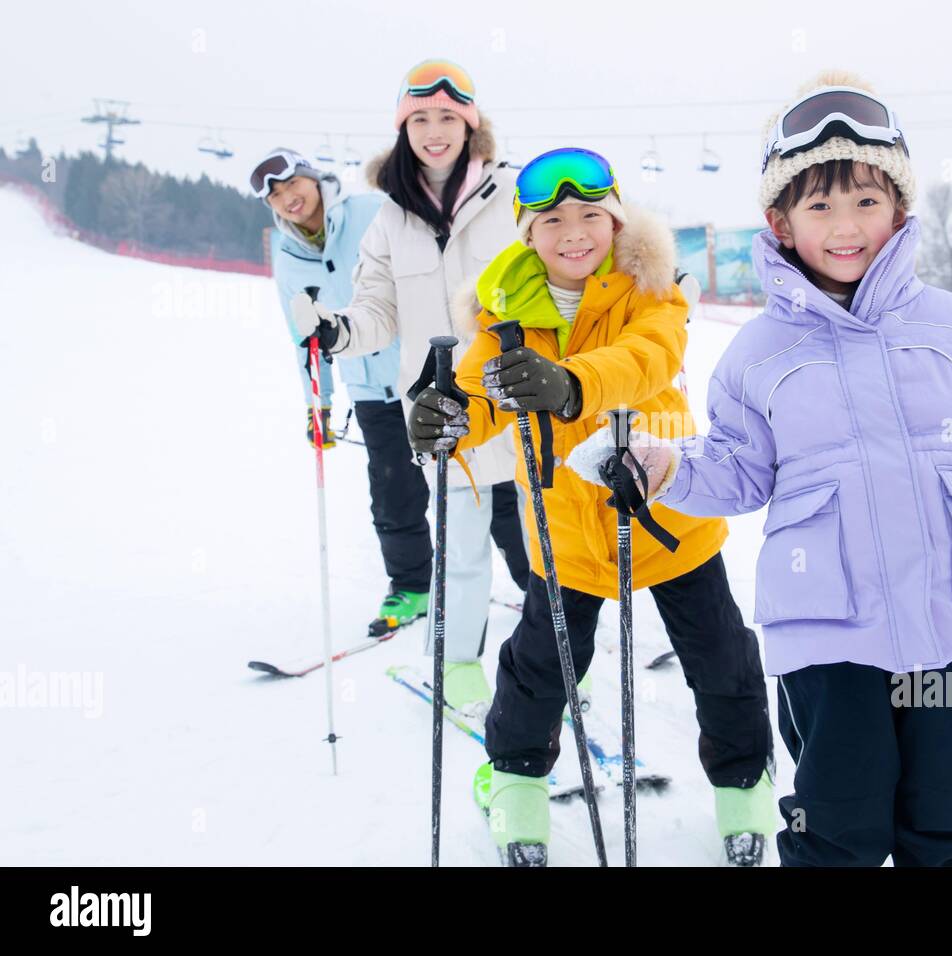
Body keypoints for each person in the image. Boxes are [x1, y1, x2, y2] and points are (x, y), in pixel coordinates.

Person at [568, 71, 952, 867]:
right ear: (780, 222)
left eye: (866, 199)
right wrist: (659, 467)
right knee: (837, 828)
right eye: (819, 205)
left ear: (898, 208)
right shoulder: (757, 354)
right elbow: (739, 471)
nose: (846, 225)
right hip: (831, 641)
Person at [405, 147, 776, 866]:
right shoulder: (505, 316)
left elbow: (649, 358)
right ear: (528, 235)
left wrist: (570, 384)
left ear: (615, 223)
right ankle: (514, 787)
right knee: (540, 672)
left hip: (666, 513)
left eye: (589, 215)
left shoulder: (651, 290)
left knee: (721, 659)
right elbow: (481, 396)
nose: (573, 231)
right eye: (552, 220)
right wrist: (447, 417)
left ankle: (743, 784)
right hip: (564, 531)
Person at [288, 60, 528, 720]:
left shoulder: (515, 196)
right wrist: (335, 333)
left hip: (517, 397)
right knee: (462, 545)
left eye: (447, 117)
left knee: (544, 541)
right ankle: (457, 667)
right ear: (403, 130)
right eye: (419, 119)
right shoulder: (390, 219)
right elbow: (377, 312)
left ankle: (559, 661)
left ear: (470, 125)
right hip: (439, 407)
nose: (433, 130)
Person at [256, 147, 433, 637]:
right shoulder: (287, 252)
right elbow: (304, 336)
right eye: (274, 195)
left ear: (314, 178)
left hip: (425, 372)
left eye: (292, 183)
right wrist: (320, 403)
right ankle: (413, 586)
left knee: (479, 484)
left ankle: (533, 582)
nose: (287, 198)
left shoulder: (370, 211)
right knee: (393, 491)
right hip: (369, 386)